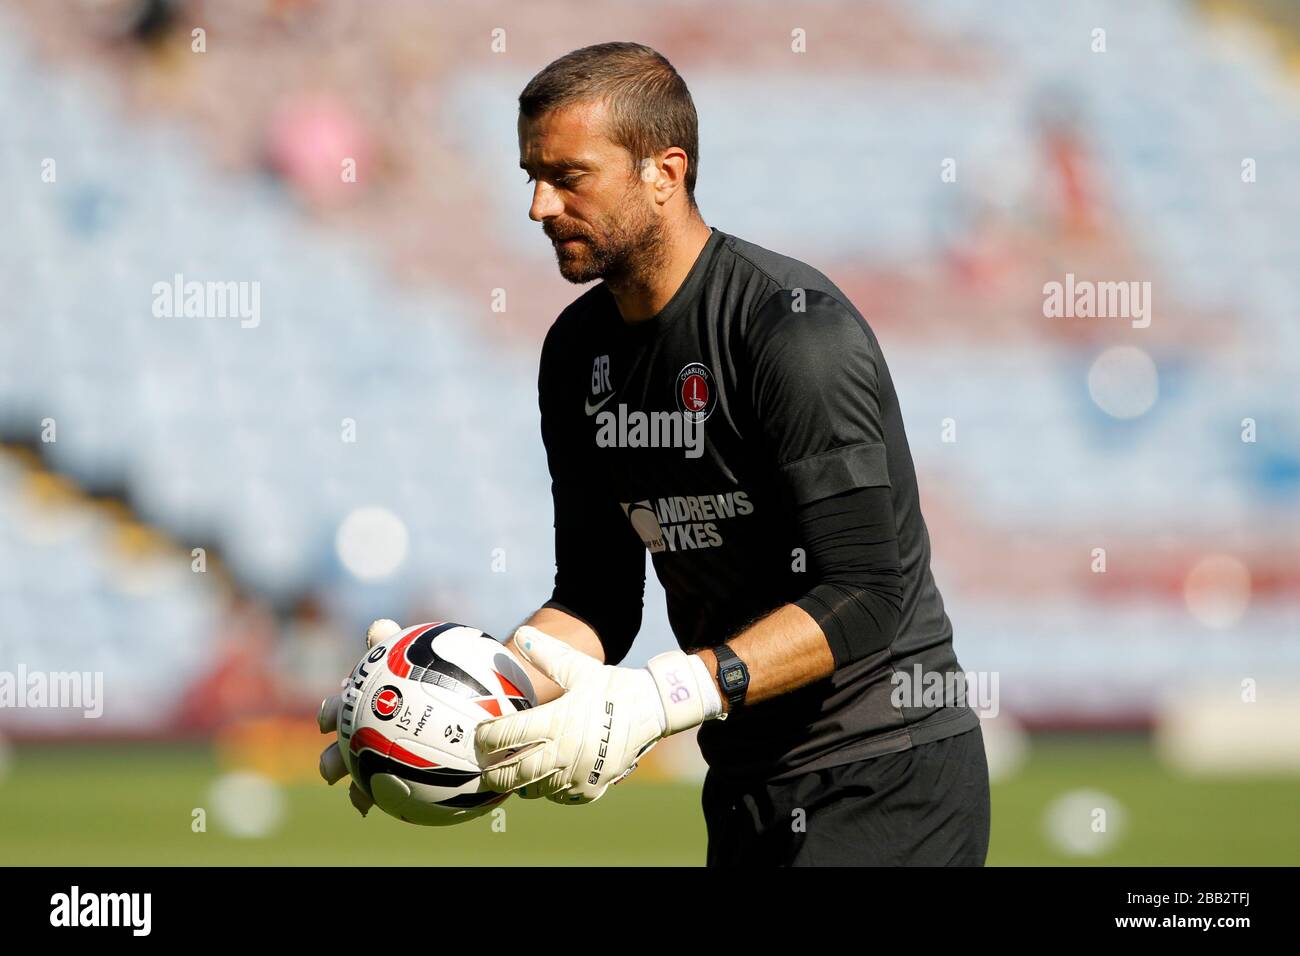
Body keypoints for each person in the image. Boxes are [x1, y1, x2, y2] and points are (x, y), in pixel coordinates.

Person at [321, 41, 989, 867]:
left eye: (569, 176)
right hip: (745, 779)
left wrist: (664, 694)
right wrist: (456, 703)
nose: (538, 206)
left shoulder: (794, 332)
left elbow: (862, 596)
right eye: (531, 174)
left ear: (663, 173)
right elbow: (597, 597)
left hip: (888, 774)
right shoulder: (575, 354)